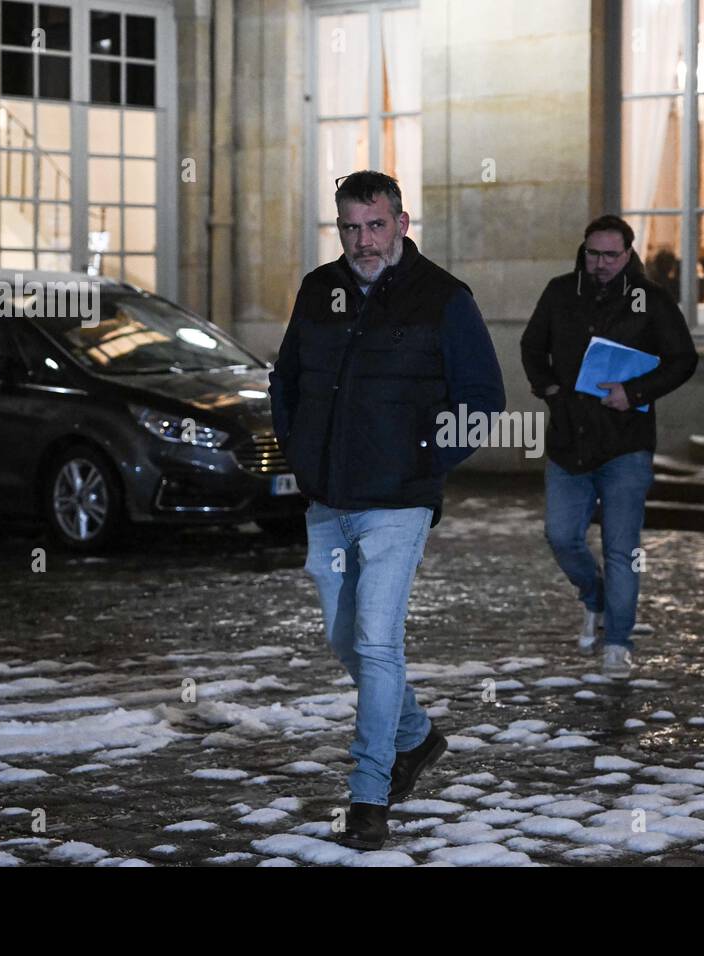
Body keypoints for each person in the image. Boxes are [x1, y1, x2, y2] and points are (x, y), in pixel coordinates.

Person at [268, 170, 505, 850]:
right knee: (344, 640)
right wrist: (302, 453)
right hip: (327, 499)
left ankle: (369, 795)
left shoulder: (444, 298)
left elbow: (483, 398)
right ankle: (416, 735)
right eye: (350, 227)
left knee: (376, 641)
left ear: (402, 223)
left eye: (375, 225)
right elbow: (287, 381)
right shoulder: (320, 289)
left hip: (398, 502)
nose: (363, 241)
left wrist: (425, 461)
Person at [521, 215, 698, 678]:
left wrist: (635, 392)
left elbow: (683, 359)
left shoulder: (650, 298)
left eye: (610, 256)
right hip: (568, 440)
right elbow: (531, 345)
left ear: (628, 254)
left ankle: (618, 641)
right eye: (592, 254)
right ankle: (594, 596)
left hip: (626, 444)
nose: (600, 264)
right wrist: (549, 388)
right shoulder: (561, 292)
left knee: (622, 548)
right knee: (561, 535)